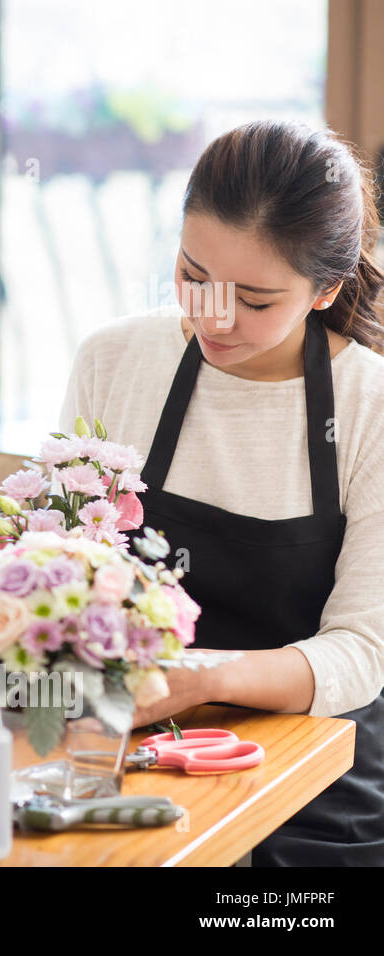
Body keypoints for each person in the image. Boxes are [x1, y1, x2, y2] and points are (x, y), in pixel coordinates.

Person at [61, 120, 384, 865]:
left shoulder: (368, 405)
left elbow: (363, 651)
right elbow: (67, 567)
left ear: (325, 290)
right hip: (129, 763)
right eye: (193, 275)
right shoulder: (114, 361)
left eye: (256, 300)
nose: (214, 315)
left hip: (319, 795)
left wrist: (199, 677)